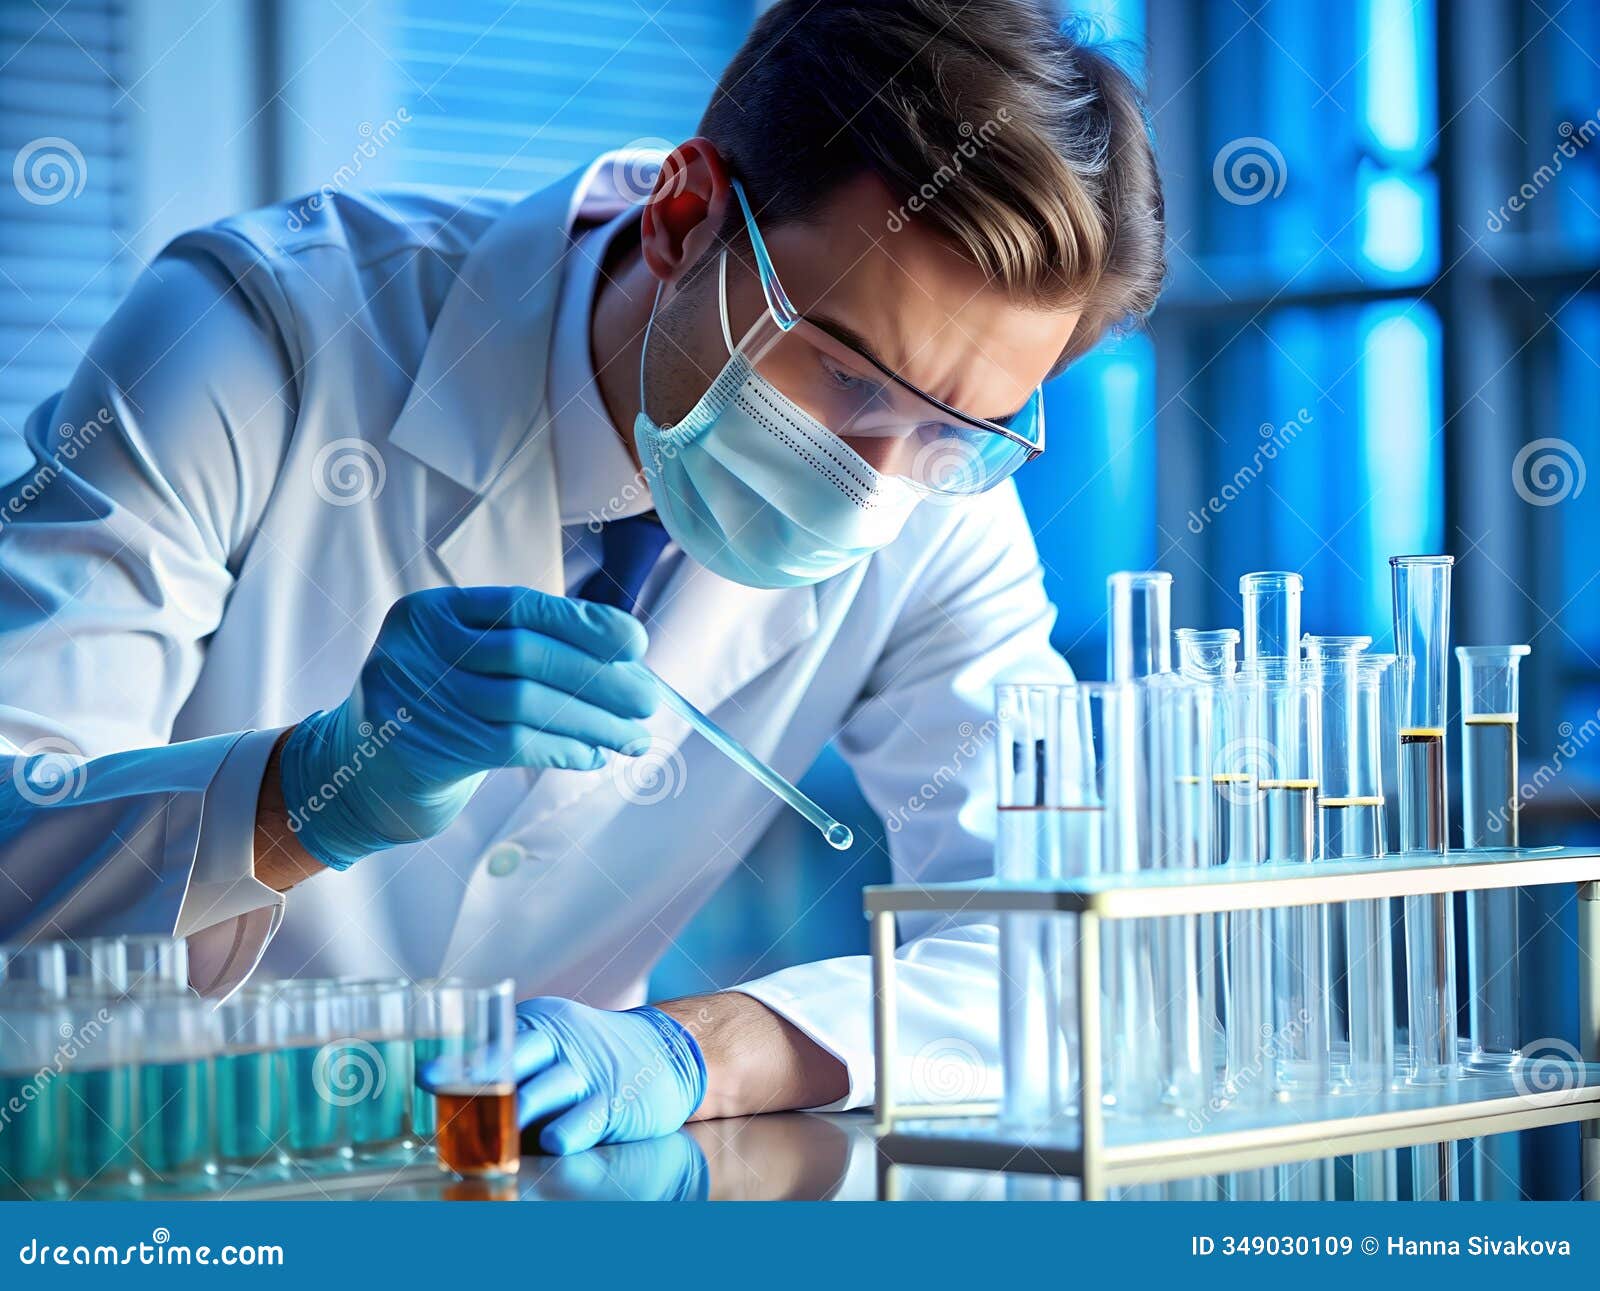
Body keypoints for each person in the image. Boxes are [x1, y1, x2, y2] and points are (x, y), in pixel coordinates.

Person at [0, 0, 1163, 1153]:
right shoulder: (262, 332)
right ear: (685, 214)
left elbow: (1061, 950)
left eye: (967, 425)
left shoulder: (939, 496)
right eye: (846, 374)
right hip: (131, 1163)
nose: (879, 480)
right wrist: (303, 794)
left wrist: (697, 1048)